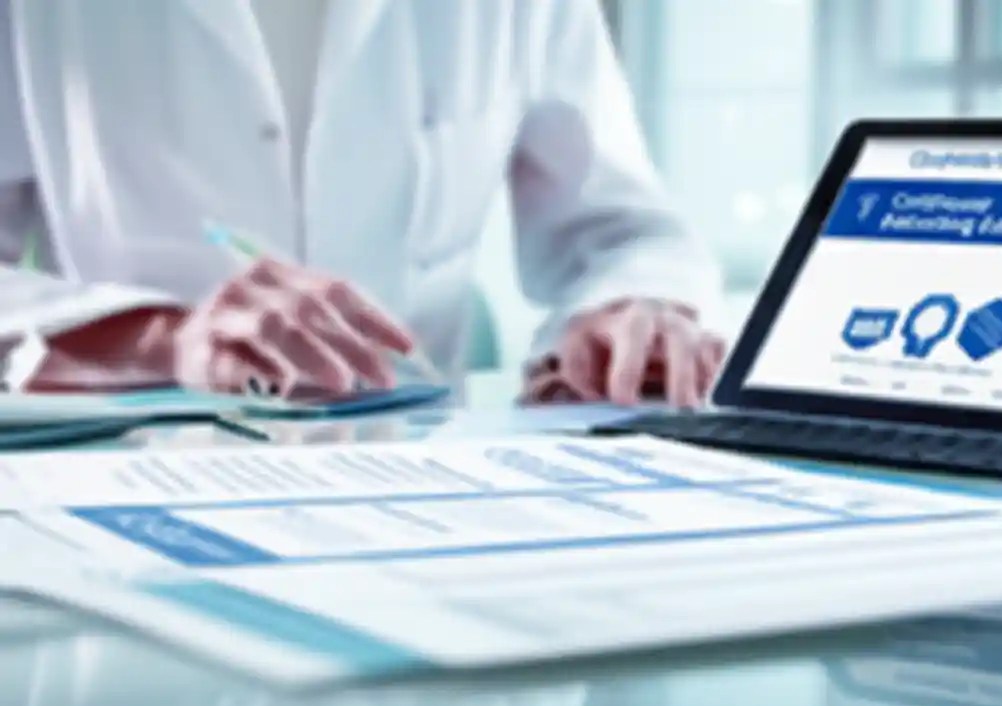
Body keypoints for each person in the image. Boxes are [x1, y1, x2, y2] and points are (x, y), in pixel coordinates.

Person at [0, 0, 724, 406]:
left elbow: (624, 231)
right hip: (125, 471)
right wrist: (166, 337)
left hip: (417, 490)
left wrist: (634, 308)